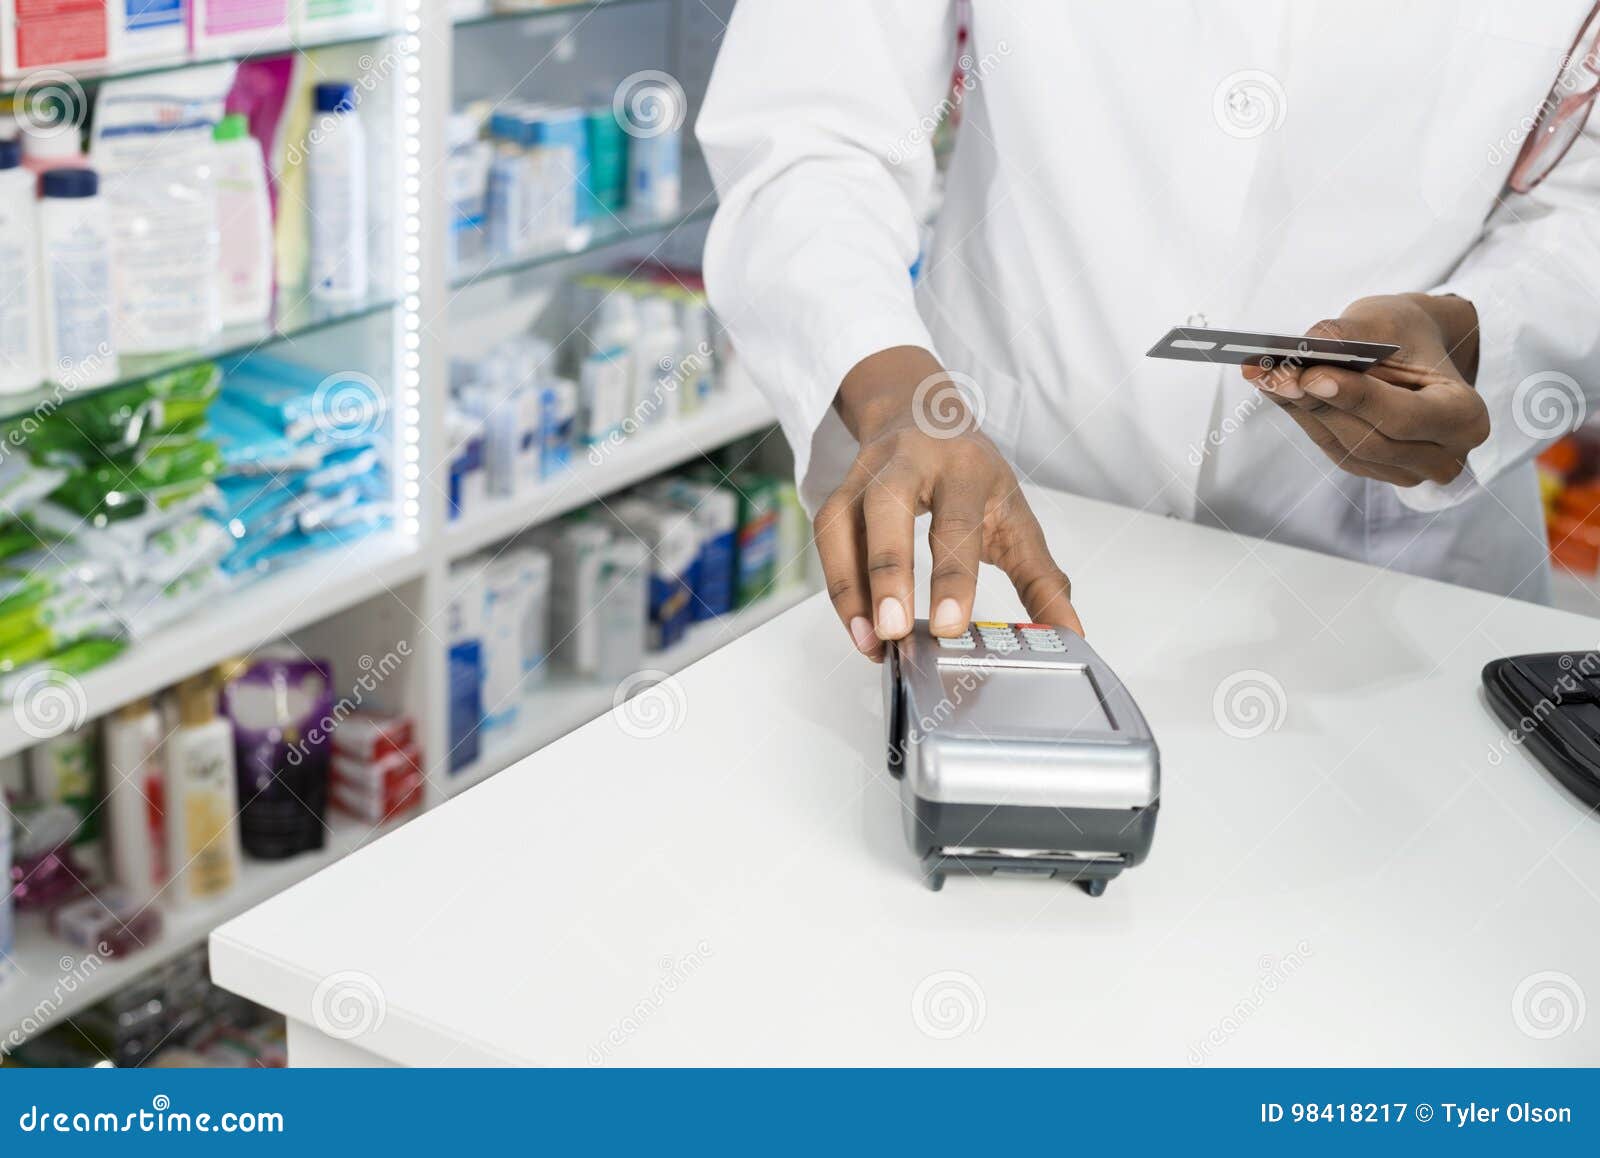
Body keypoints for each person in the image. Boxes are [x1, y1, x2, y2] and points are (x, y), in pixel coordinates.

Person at [696, 1, 1600, 658]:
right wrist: (895, 392)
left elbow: (1583, 205)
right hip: (1003, 519)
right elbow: (809, 132)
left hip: (1399, 584)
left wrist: (1476, 337)